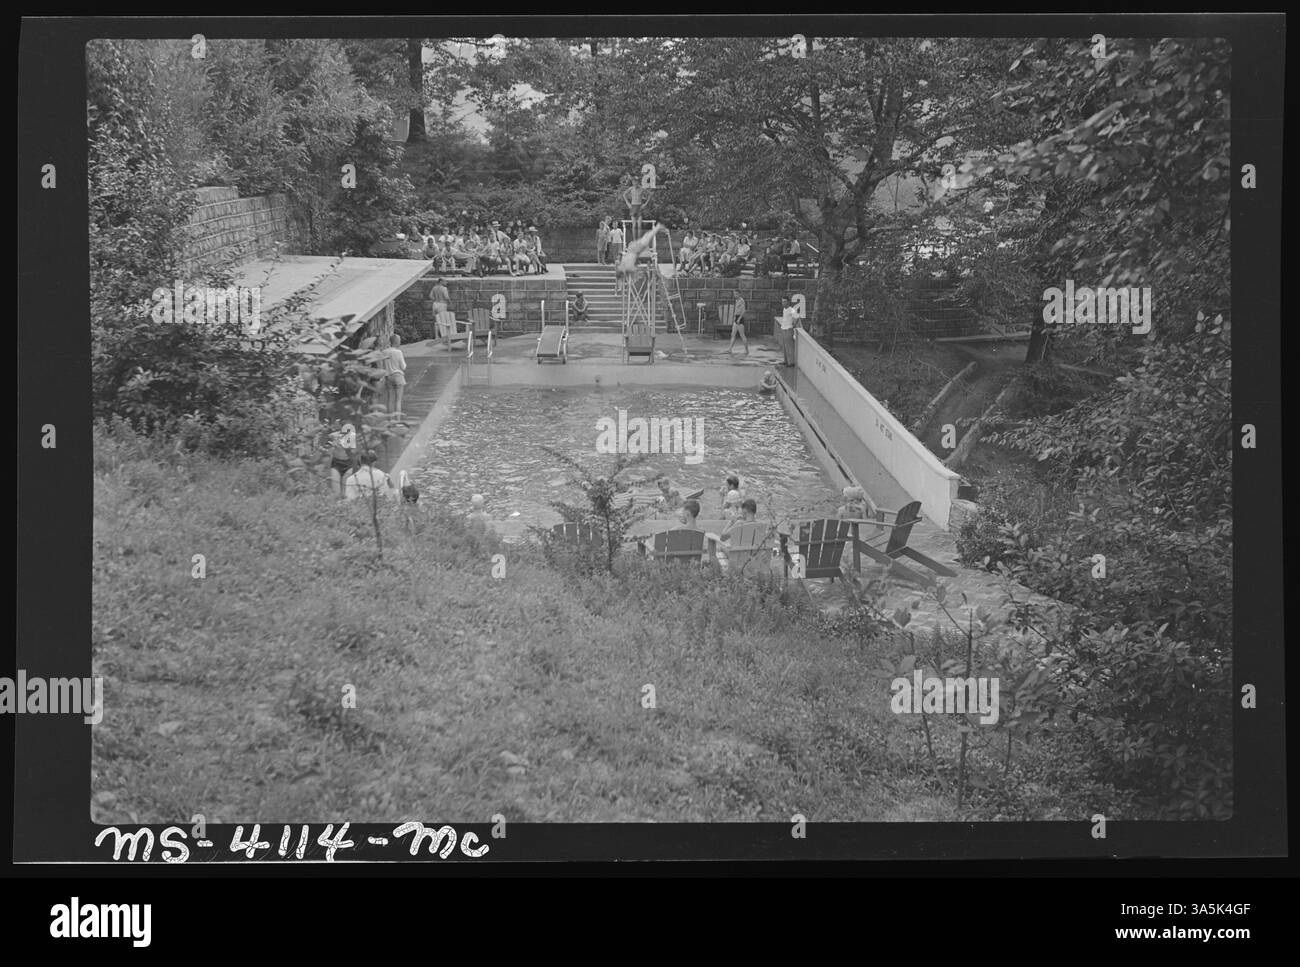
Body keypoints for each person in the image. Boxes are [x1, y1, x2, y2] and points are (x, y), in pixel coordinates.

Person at [380, 334, 407, 417]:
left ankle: (390, 421)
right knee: (398, 400)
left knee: (390, 400)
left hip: (388, 377)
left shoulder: (384, 352)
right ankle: (397, 421)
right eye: (399, 340)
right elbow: (403, 367)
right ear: (396, 342)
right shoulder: (398, 352)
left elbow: (382, 367)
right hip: (398, 376)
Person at [327, 422, 357, 497]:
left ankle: (345, 504)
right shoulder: (335, 436)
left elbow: (354, 453)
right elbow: (329, 435)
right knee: (336, 492)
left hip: (348, 464)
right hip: (336, 463)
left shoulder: (353, 438)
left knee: (345, 493)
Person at [777, 296, 798, 367]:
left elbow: (796, 317)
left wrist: (793, 324)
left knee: (789, 346)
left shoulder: (791, 309)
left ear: (788, 302)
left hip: (789, 329)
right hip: (783, 329)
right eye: (782, 301)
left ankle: (791, 362)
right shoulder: (784, 309)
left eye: (785, 301)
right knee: (785, 346)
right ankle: (786, 361)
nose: (783, 303)